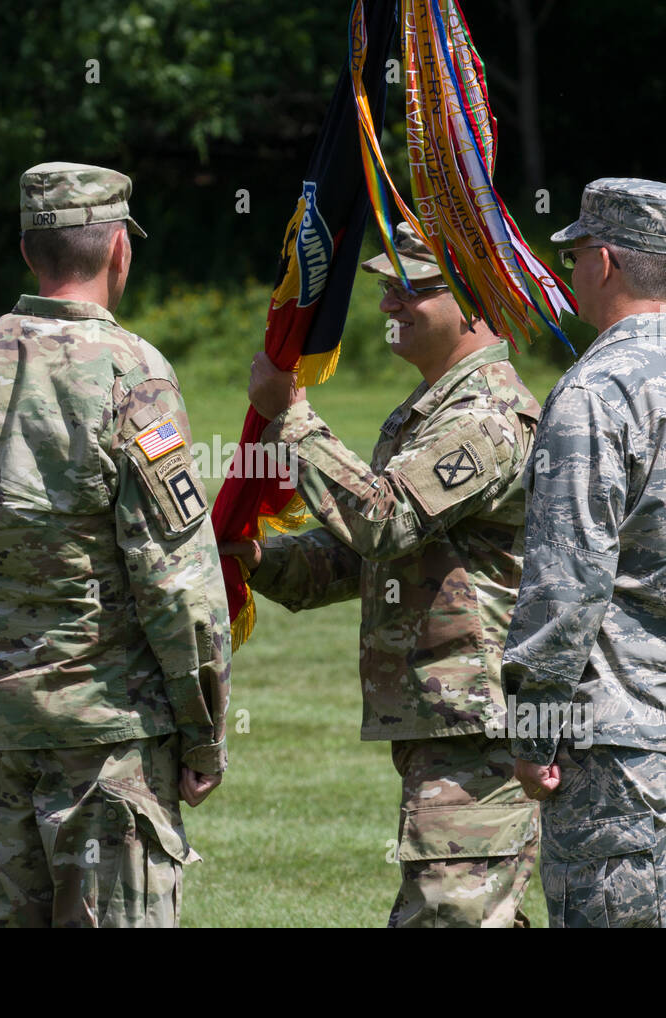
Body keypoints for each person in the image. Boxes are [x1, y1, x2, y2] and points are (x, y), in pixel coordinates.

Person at [0, 162, 231, 928]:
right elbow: (179, 582)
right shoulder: (133, 371)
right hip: (107, 744)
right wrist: (204, 733)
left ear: (25, 249)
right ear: (119, 251)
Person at [225, 221, 542, 927]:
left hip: (479, 725)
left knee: (445, 919)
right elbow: (374, 552)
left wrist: (294, 419)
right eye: (385, 287)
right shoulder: (432, 409)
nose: (388, 305)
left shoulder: (484, 417)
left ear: (471, 298)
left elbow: (385, 520)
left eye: (412, 288)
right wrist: (259, 559)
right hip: (448, 723)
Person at [501, 178, 666, 928]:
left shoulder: (594, 393)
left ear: (608, 261)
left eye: (577, 251)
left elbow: (567, 581)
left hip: (621, 753)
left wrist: (532, 730)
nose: (568, 270)